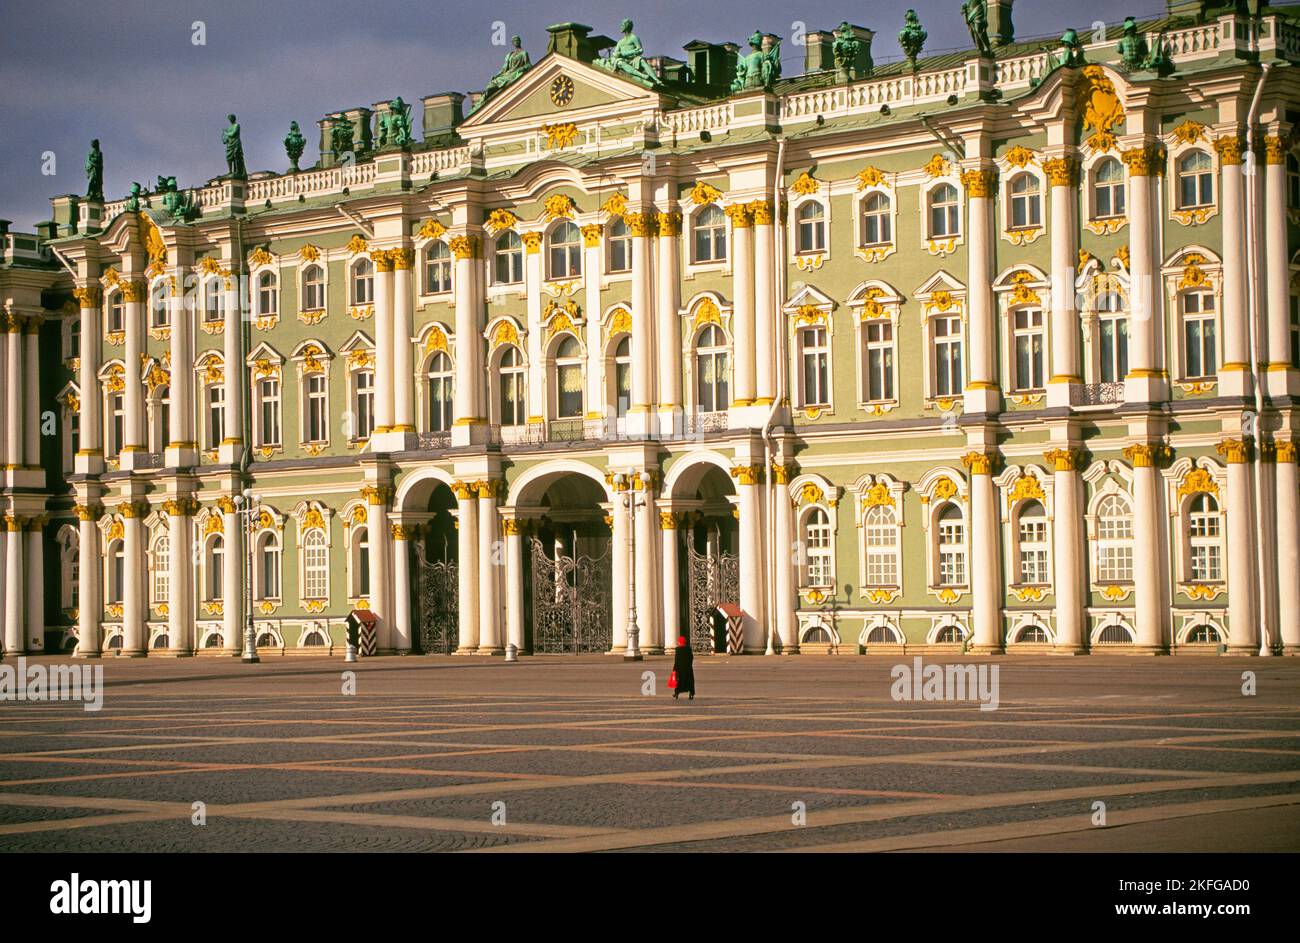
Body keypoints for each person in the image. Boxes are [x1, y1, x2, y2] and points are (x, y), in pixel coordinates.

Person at [671, 635, 695, 700]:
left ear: (679, 642)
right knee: (690, 681)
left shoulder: (678, 649)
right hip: (688, 668)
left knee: (679, 681)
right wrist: (690, 664)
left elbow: (676, 660)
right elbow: (691, 658)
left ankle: (676, 693)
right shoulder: (688, 649)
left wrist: (674, 669)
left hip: (680, 668)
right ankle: (691, 694)